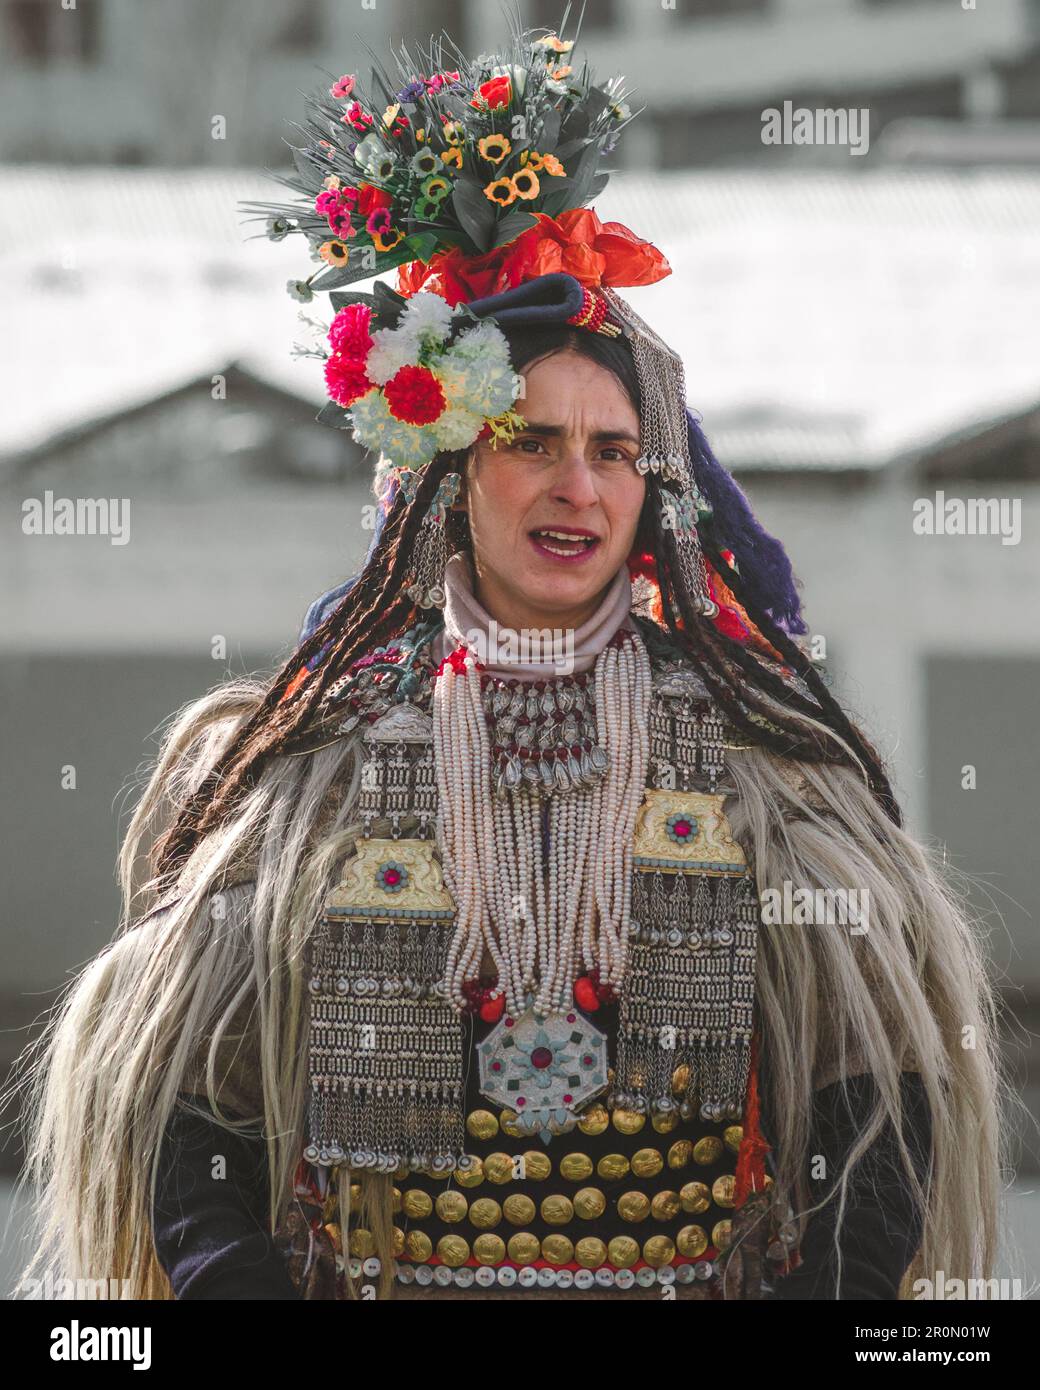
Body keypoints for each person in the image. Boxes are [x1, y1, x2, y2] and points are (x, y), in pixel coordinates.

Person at [17, 22, 1003, 1302]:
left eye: (612, 452)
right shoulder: (306, 764)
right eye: (532, 440)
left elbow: (875, 1101)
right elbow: (183, 1101)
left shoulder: (762, 767)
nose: (577, 486)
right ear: (442, 466)